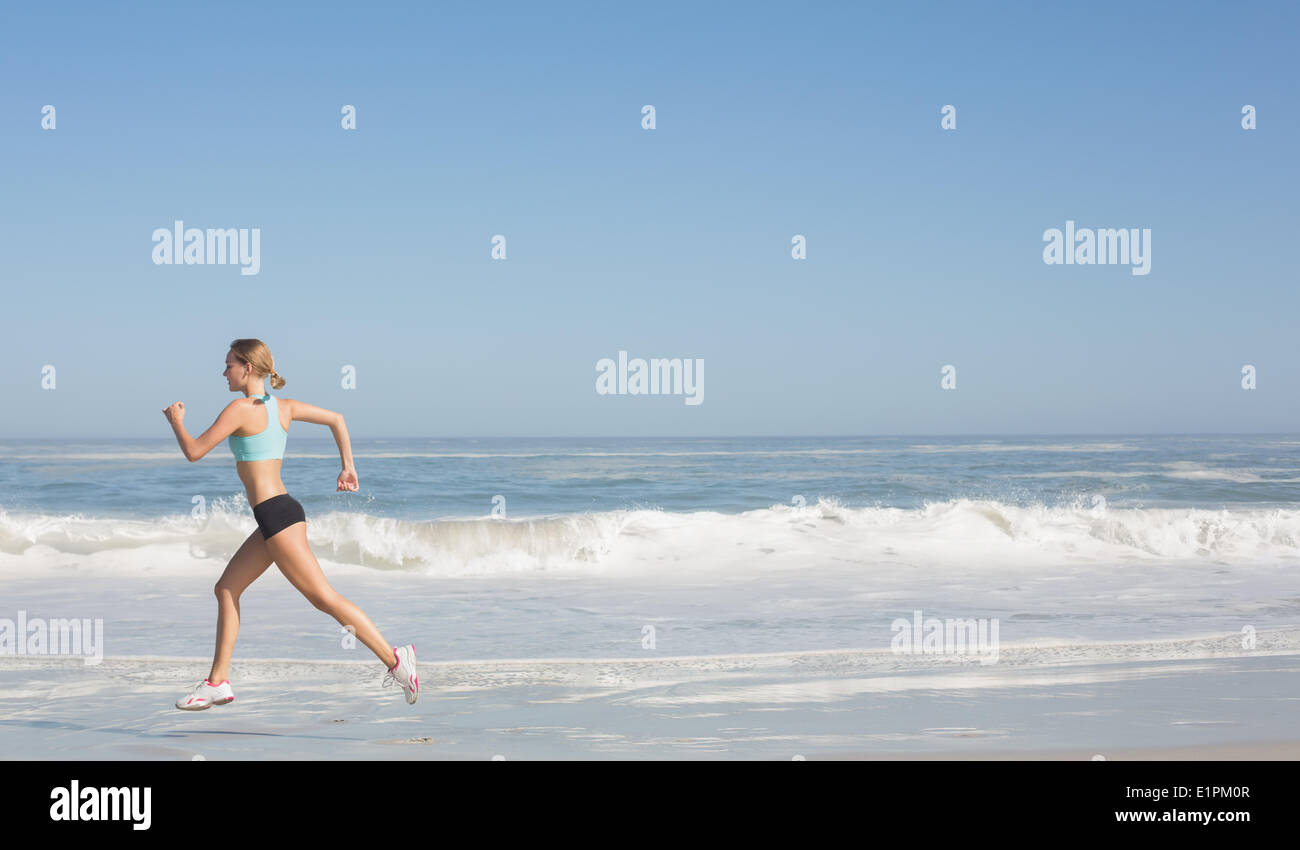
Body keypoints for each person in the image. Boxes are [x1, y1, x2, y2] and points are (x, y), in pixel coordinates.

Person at [162, 338, 417, 709]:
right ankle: (217, 681)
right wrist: (348, 465)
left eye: (229, 364)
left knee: (324, 598)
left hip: (276, 516)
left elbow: (194, 451)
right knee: (227, 589)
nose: (224, 372)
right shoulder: (284, 407)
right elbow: (337, 419)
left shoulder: (240, 408)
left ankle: (397, 661)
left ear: (247, 367)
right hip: (277, 514)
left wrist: (177, 422)